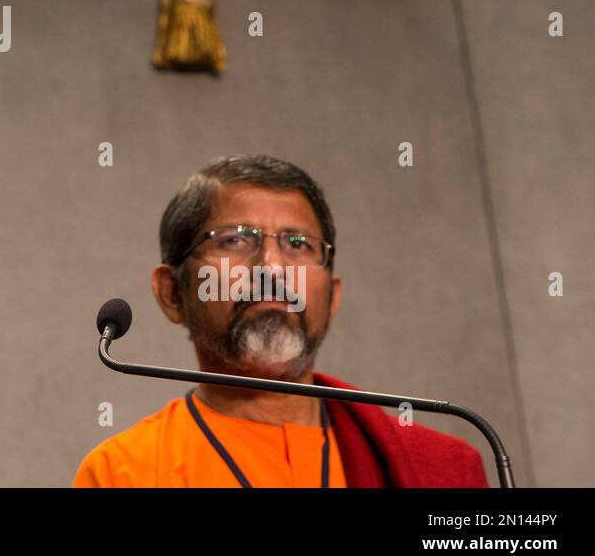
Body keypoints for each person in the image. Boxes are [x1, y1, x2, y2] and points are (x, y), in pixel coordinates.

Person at [74, 154, 488, 488]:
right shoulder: (122, 475)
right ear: (172, 293)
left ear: (333, 297)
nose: (271, 267)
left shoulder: (444, 468)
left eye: (298, 244)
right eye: (235, 239)